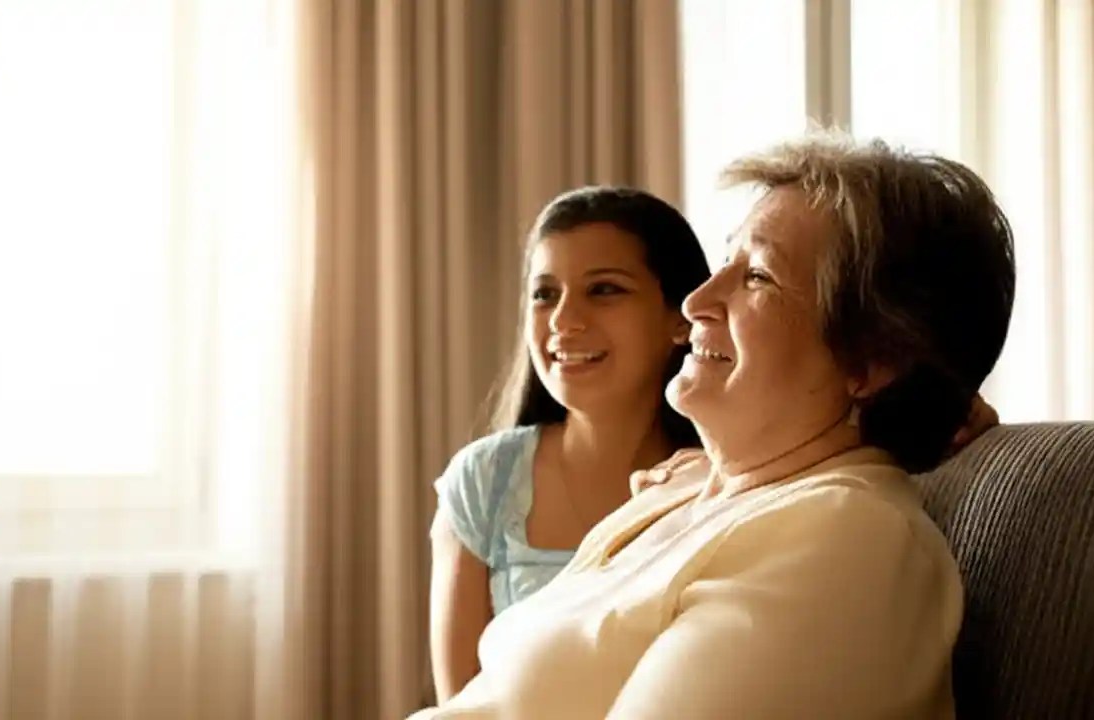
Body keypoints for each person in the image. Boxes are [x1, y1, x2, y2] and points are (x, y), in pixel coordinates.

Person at [413, 133, 1016, 718]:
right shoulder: (684, 494)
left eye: (757, 276)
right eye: (726, 261)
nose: (697, 300)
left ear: (870, 359)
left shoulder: (850, 537)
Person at [428, 187, 712, 701]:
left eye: (603, 290)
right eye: (544, 294)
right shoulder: (483, 485)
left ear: (681, 317)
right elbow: (463, 706)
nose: (563, 320)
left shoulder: (725, 483)